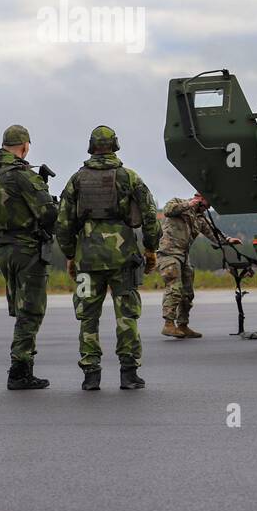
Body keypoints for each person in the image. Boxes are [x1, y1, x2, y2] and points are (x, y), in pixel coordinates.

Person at [55, 126, 159, 390]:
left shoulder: (76, 180)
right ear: (115, 145)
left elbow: (63, 223)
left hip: (86, 261)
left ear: (91, 146)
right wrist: (150, 249)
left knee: (87, 317)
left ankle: (91, 374)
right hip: (123, 260)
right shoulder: (129, 177)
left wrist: (70, 255)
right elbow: (150, 214)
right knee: (127, 316)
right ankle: (129, 373)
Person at [0, 125, 57, 389]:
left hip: (1, 248)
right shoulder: (23, 175)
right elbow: (48, 214)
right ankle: (20, 370)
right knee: (31, 310)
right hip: (27, 249)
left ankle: (22, 367)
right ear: (24, 146)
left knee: (21, 308)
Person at [157, 193, 242, 339]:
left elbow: (213, 234)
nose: (208, 207)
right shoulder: (178, 202)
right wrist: (189, 204)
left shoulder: (200, 218)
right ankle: (169, 324)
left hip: (184, 256)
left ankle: (183, 325)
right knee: (174, 287)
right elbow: (168, 210)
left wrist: (227, 240)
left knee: (188, 293)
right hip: (169, 253)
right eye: (207, 204)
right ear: (200, 198)